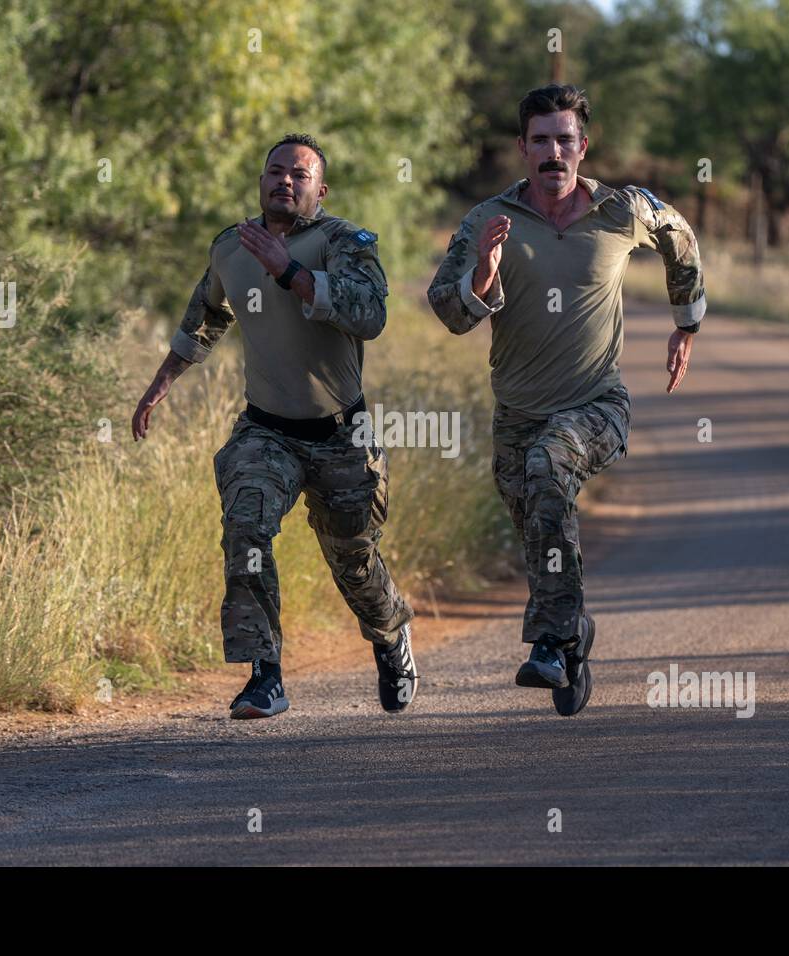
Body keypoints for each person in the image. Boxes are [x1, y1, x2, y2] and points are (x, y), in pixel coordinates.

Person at [427, 85, 706, 716]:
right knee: (538, 531)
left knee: (548, 468)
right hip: (516, 413)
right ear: (522, 148)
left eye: (565, 139)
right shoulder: (485, 222)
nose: (554, 152)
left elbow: (680, 235)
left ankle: (550, 642)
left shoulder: (622, 209)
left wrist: (685, 322)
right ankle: (574, 633)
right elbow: (447, 312)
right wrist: (483, 275)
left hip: (596, 403)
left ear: (583, 145)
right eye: (541, 140)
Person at [133, 133, 416, 719]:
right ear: (261, 180)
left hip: (341, 435)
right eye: (275, 171)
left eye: (300, 174)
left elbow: (371, 316)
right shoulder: (232, 248)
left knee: (354, 562)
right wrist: (161, 383)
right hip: (266, 431)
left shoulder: (345, 242)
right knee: (246, 524)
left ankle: (389, 636)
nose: (285, 181)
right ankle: (265, 675)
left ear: (321, 189)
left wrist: (289, 271)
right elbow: (206, 317)